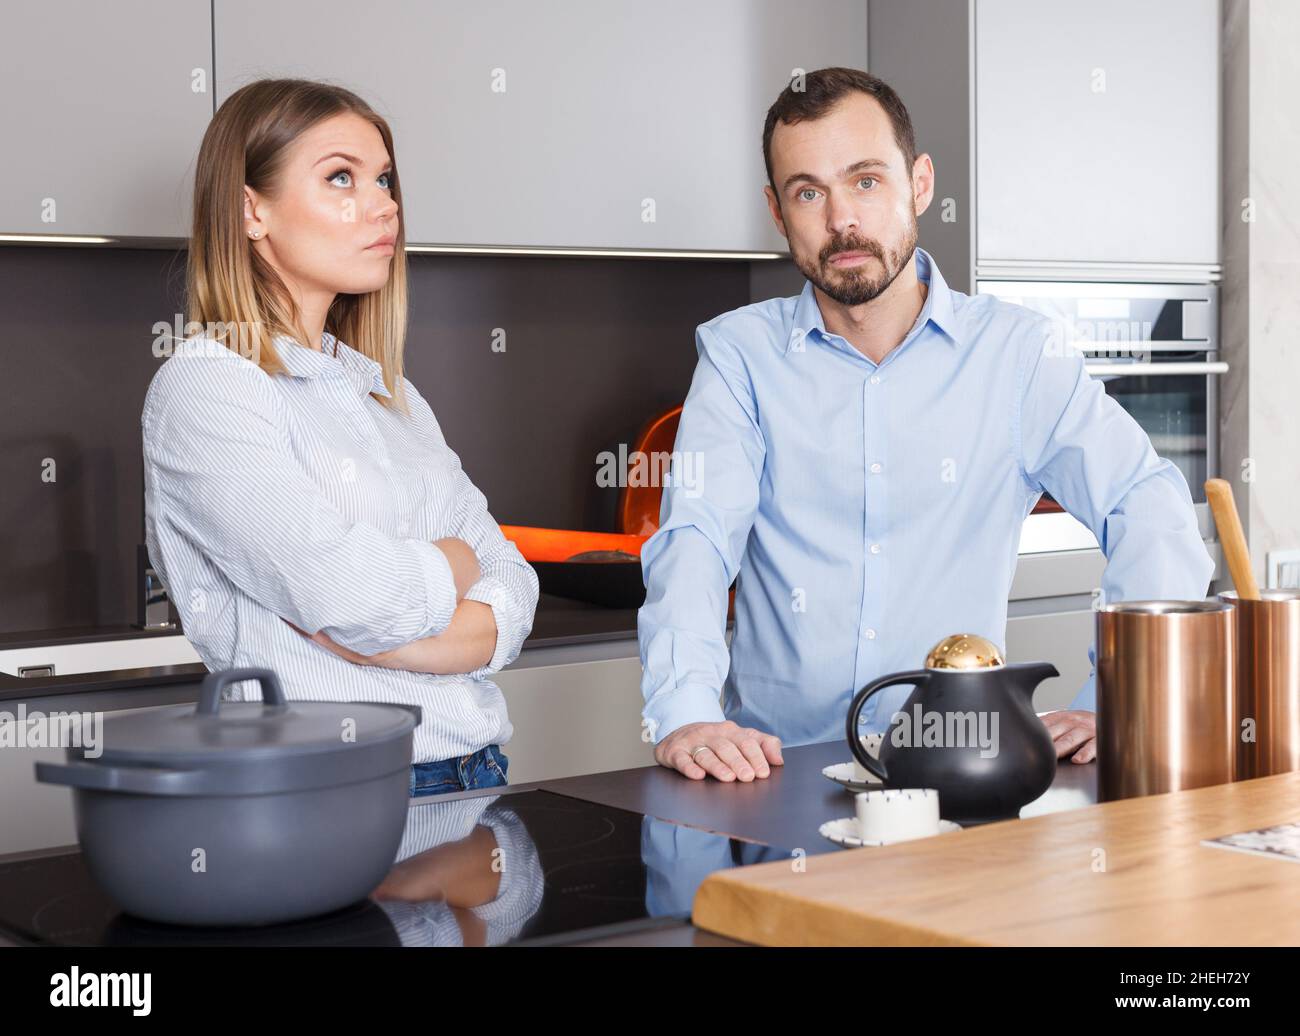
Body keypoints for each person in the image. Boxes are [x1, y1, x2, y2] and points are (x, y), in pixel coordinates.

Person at [638, 67, 1214, 783]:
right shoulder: (739, 357)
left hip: (961, 769)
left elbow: (1146, 501)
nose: (841, 219)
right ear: (778, 211)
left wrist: (1115, 698)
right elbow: (695, 541)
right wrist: (688, 710)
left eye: (866, 181)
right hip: (775, 778)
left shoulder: (1018, 354)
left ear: (919, 183)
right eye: (808, 192)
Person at [142, 78, 538, 797]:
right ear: (251, 211)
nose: (384, 203)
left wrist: (391, 637)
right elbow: (353, 594)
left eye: (384, 178)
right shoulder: (209, 386)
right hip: (329, 795)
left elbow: (513, 582)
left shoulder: (390, 395)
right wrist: (450, 568)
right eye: (341, 178)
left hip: (475, 773)